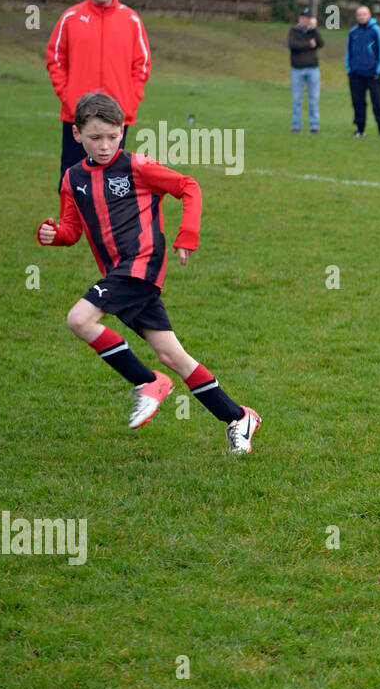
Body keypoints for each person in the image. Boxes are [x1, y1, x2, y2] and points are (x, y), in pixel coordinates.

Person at [35, 92, 261, 453]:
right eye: (95, 137)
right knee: (173, 355)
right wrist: (54, 234)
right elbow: (71, 230)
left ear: (122, 132)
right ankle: (237, 417)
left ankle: (149, 382)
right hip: (119, 274)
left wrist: (188, 234)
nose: (105, 145)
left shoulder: (137, 166)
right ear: (76, 135)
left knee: (79, 319)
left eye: (113, 136)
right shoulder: (72, 178)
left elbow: (189, 186)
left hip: (140, 266)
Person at [46, 0, 152, 189]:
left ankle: (107, 224)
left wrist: (129, 102)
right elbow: (55, 59)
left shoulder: (131, 20)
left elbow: (142, 64)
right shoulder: (71, 17)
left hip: (116, 114)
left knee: (111, 175)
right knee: (72, 172)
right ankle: (70, 223)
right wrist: (67, 97)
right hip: (77, 113)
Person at [346, 5, 380, 137]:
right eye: (359, 15)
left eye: (364, 14)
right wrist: (349, 69)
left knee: (377, 103)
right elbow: (348, 51)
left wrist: (378, 70)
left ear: (369, 15)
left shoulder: (376, 31)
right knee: (358, 103)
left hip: (372, 74)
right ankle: (360, 129)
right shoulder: (353, 32)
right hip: (356, 74)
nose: (361, 17)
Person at [289, 7, 324, 133]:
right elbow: (293, 45)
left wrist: (314, 29)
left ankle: (314, 125)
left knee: (313, 99)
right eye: (303, 17)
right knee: (297, 99)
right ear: (299, 18)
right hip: (297, 70)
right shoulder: (294, 31)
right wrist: (309, 44)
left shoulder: (313, 31)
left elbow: (321, 44)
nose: (305, 20)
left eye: (308, 18)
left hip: (313, 70)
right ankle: (296, 125)